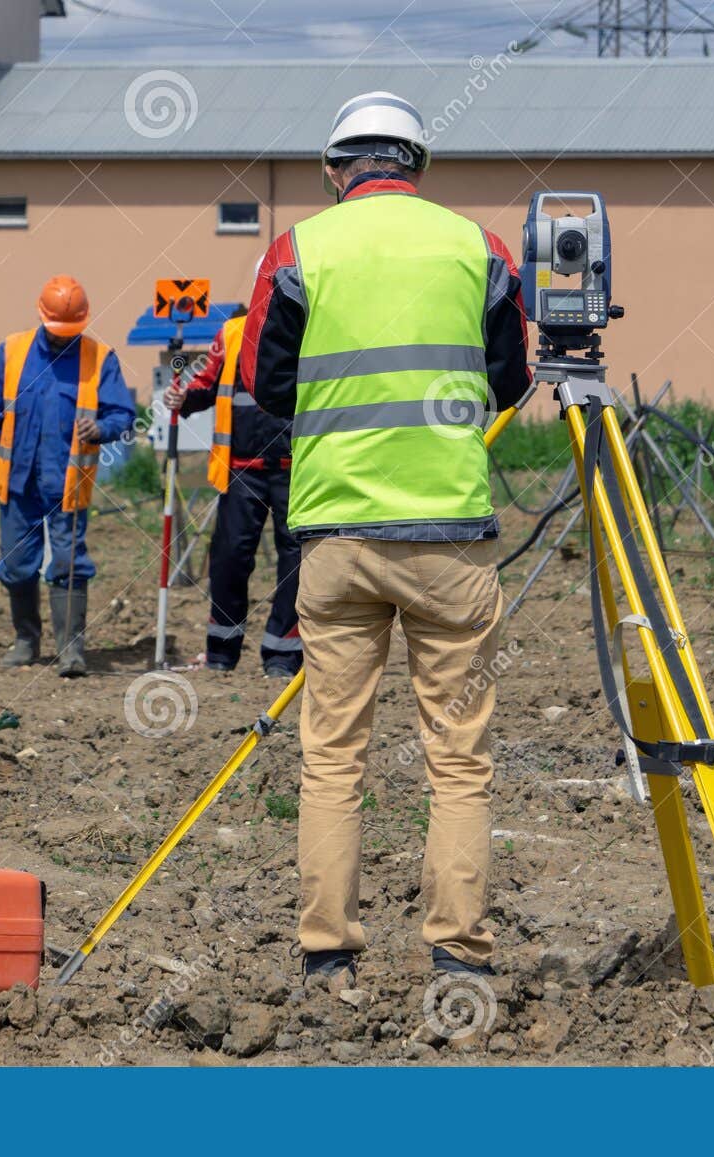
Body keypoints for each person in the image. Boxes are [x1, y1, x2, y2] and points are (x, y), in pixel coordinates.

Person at [240, 91, 530, 985]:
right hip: (447, 534)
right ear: (417, 168)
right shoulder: (478, 248)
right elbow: (513, 377)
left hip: (334, 539)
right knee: (459, 756)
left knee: (332, 756)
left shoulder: (297, 250)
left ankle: (328, 952)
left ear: (337, 173)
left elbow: (262, 383)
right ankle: (459, 952)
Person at [0, 276, 135, 676]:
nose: (63, 339)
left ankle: (70, 650)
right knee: (17, 564)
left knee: (68, 562)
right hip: (18, 481)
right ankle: (27, 640)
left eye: (71, 332)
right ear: (42, 317)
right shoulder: (12, 351)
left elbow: (123, 415)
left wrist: (101, 429)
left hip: (68, 483)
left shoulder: (100, 357)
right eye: (58, 332)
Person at [162, 300, 301, 677]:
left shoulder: (311, 327)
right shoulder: (233, 332)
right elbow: (208, 384)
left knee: (296, 563)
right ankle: (221, 652)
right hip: (240, 468)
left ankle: (283, 655)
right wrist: (185, 399)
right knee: (229, 558)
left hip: (298, 468)